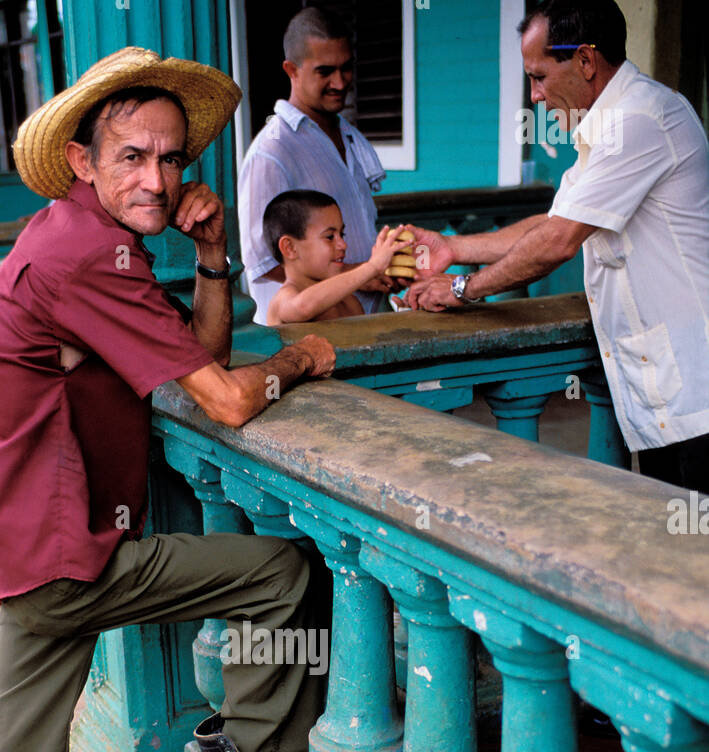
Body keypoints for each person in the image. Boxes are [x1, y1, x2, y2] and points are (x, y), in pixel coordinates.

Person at [0, 48, 338, 752]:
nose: (157, 177)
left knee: (24, 734)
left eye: (171, 158)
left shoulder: (84, 241)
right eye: (131, 156)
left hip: (19, 539)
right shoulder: (87, 254)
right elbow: (224, 396)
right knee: (282, 573)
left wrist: (211, 256)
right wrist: (298, 358)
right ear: (82, 163)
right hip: (70, 547)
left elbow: (190, 355)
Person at [406, 0, 709, 491]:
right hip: (664, 397)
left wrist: (463, 289)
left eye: (540, 77)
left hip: (696, 394)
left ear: (586, 61)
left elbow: (557, 243)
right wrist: (452, 248)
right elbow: (552, 222)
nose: (536, 96)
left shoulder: (640, 120)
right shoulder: (608, 126)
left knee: (693, 557)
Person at [239, 6, 414, 324]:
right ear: (291, 70)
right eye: (325, 71)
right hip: (307, 341)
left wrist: (383, 269)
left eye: (346, 68)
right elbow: (266, 264)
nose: (340, 82)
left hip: (364, 320)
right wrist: (364, 273)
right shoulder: (272, 151)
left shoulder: (348, 135)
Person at [263, 190, 407, 324]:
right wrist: (372, 267)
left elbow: (367, 343)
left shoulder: (349, 302)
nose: (343, 245)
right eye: (330, 237)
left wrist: (399, 320)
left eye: (342, 234)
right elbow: (304, 307)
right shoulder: (283, 300)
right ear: (290, 248)